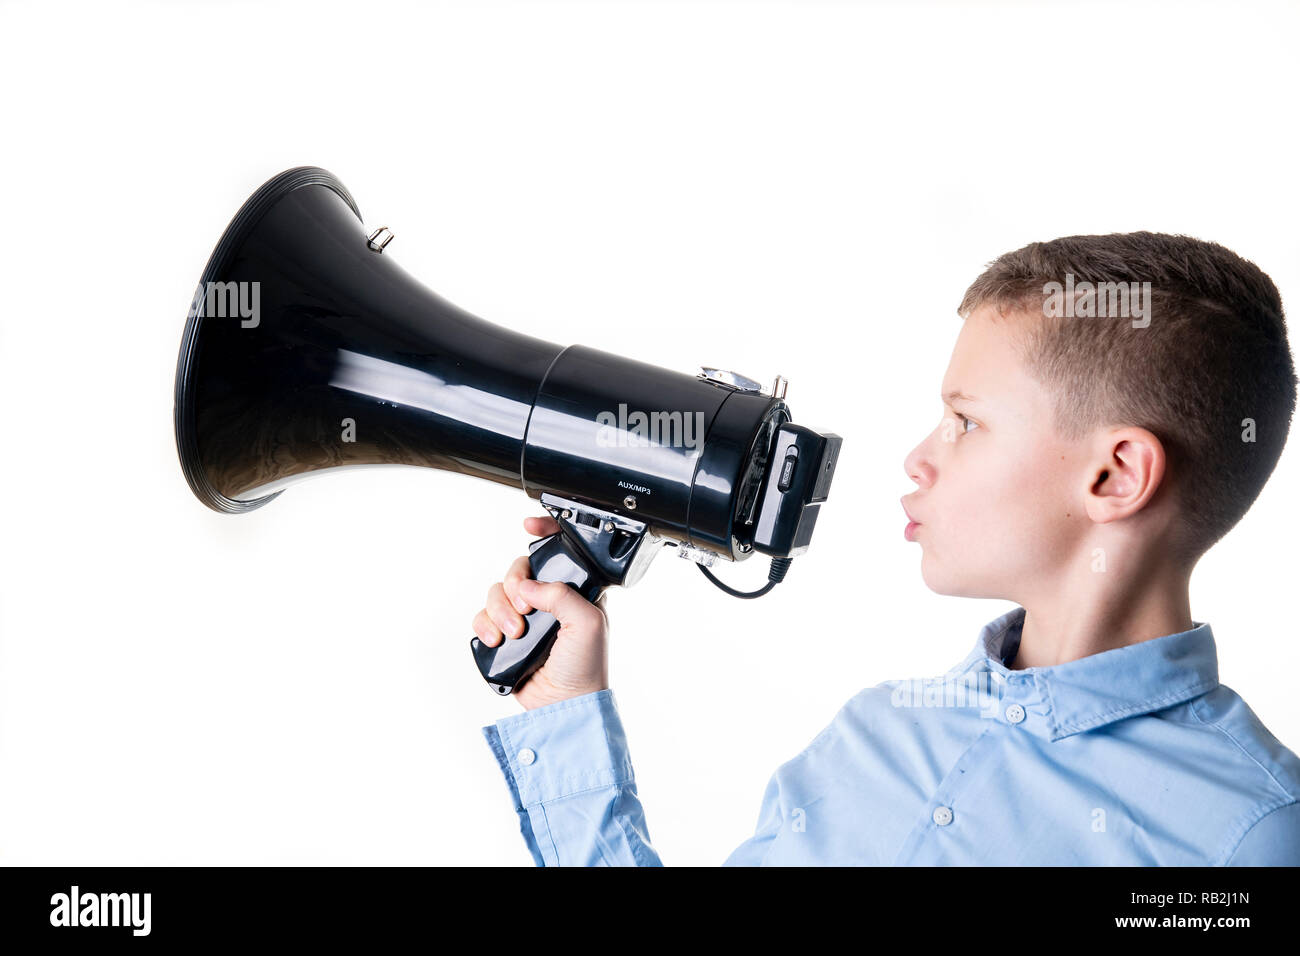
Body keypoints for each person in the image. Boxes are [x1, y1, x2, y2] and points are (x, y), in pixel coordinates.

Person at [473, 232, 1300, 865]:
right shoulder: (873, 738)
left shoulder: (1252, 836)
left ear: (1116, 476)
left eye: (966, 421)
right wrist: (564, 712)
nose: (919, 459)